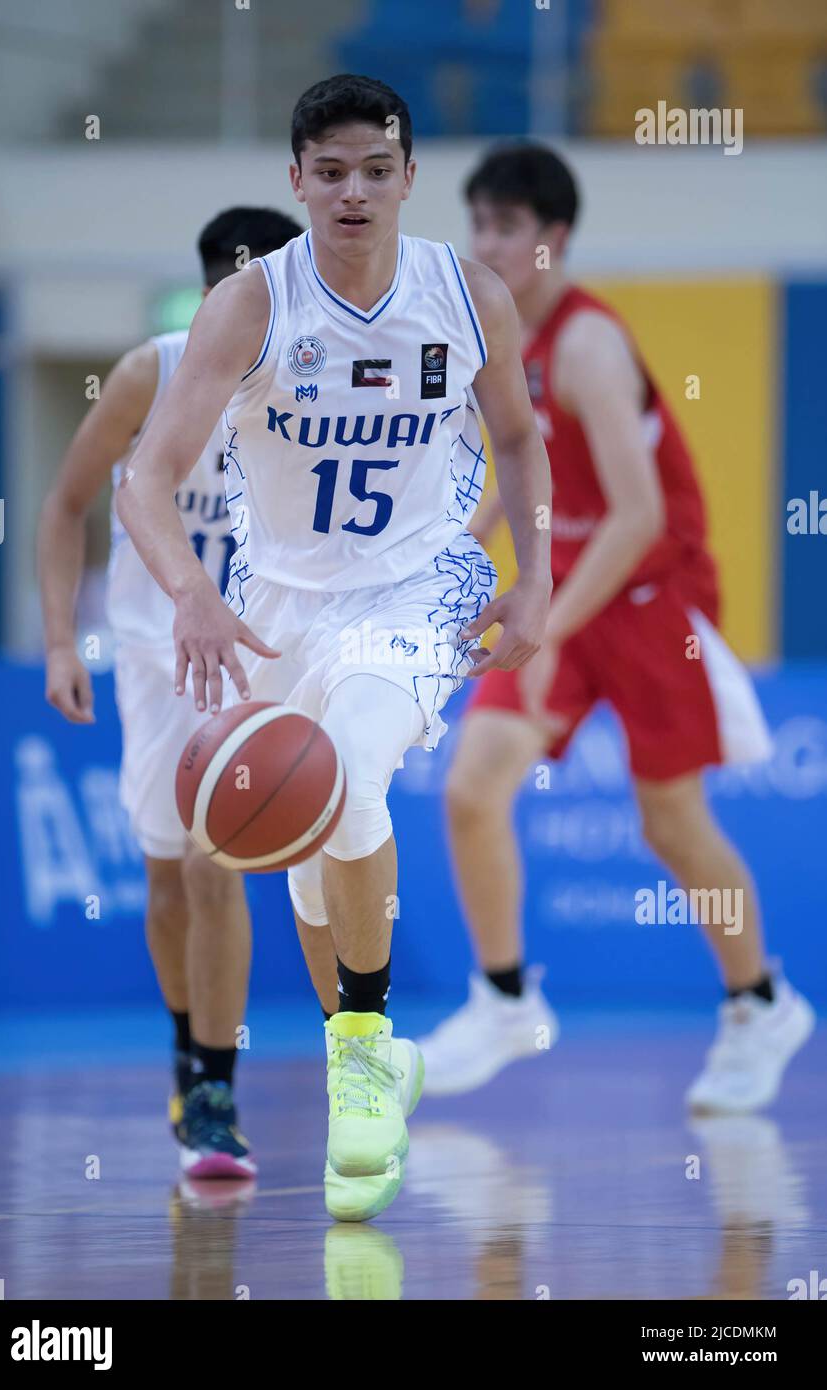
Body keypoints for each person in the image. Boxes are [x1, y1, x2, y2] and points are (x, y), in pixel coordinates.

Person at [115, 74, 552, 1220]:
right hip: (281, 605)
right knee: (309, 852)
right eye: (330, 171)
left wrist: (537, 579)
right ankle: (367, 1056)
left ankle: (358, 1055)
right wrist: (192, 593)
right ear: (295, 181)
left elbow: (515, 436)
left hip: (417, 588)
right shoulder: (250, 306)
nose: (353, 191)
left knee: (353, 770)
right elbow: (145, 483)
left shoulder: (467, 296)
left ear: (409, 178)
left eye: (375, 169)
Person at [419, 143, 814, 1111]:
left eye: (506, 227)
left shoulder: (589, 345)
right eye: (477, 224)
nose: (486, 244)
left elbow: (635, 515)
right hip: (558, 592)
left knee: (670, 823)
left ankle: (757, 1002)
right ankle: (505, 998)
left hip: (648, 599)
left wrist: (543, 620)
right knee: (471, 788)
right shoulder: (495, 341)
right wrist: (445, 562)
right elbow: (517, 476)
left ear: (550, 241)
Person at [39, 207, 303, 1179]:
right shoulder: (150, 373)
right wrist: (63, 639)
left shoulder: (309, 376)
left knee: (212, 863)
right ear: (211, 298)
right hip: (153, 656)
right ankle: (188, 1041)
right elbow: (67, 502)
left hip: (251, 658)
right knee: (163, 878)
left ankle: (215, 1087)